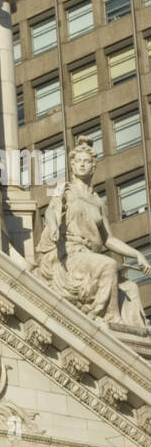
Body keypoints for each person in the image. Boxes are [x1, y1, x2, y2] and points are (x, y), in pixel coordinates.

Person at [35, 136, 151, 329]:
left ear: (93, 167)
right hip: (70, 254)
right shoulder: (63, 189)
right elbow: (51, 211)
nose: (82, 165)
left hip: (89, 256)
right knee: (109, 265)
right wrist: (54, 226)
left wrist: (137, 254)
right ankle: (109, 319)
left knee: (130, 288)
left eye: (86, 162)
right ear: (72, 165)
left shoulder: (98, 201)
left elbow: (109, 239)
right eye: (78, 161)